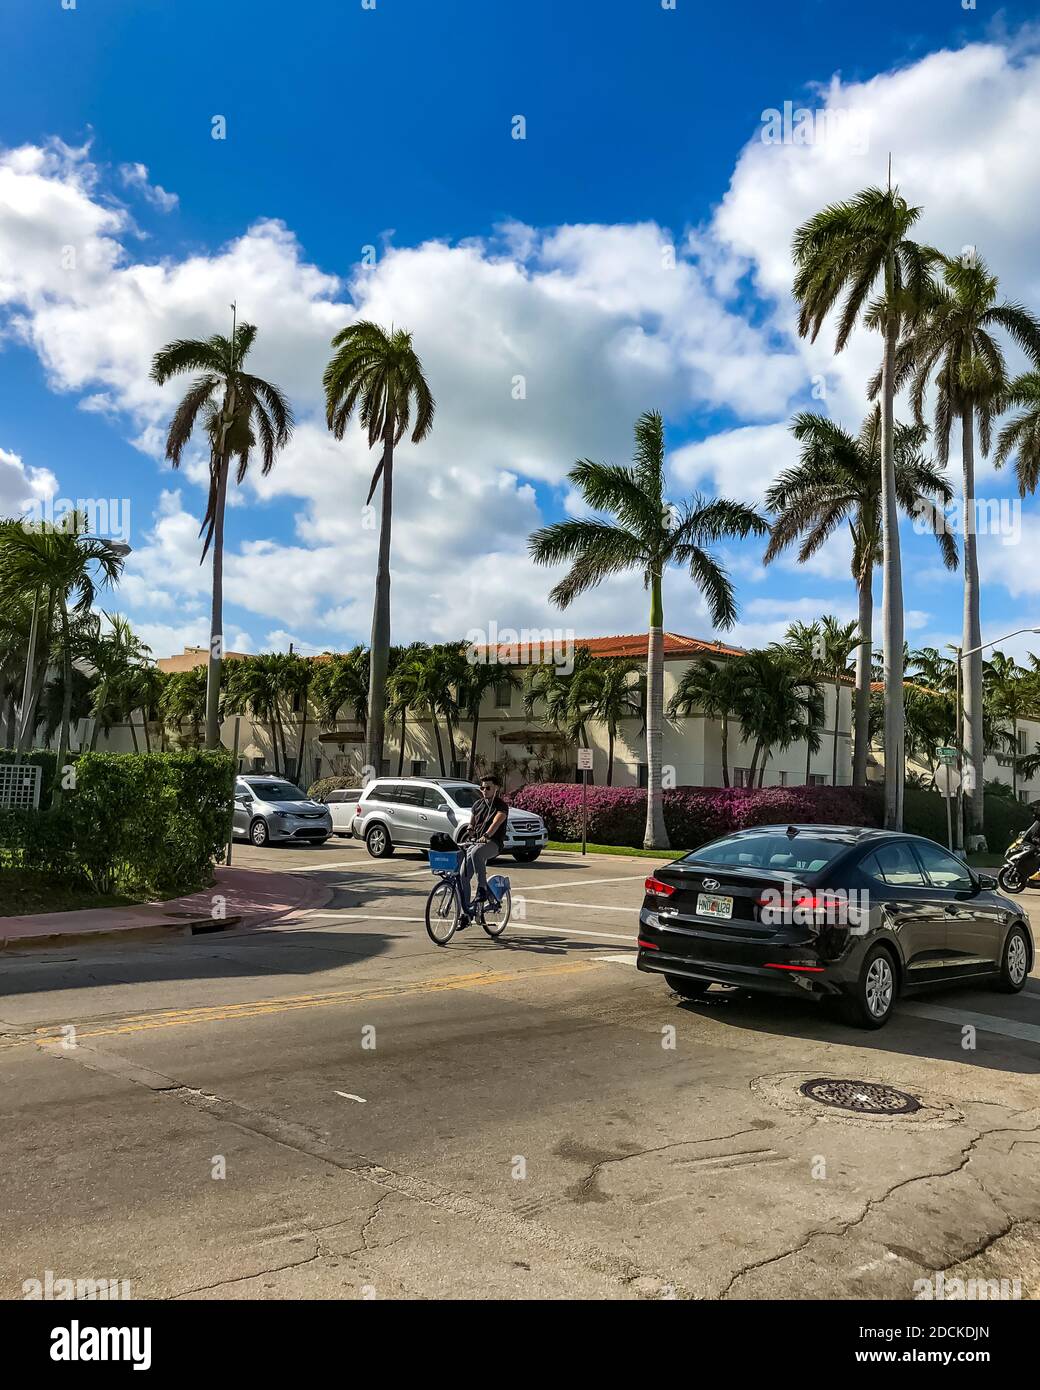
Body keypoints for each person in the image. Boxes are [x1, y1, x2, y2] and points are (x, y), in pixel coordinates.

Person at [457, 774, 509, 924]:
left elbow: (496, 823)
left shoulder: (501, 805)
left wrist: (486, 835)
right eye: (482, 788)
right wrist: (470, 830)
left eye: (488, 788)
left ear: (496, 788)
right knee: (462, 876)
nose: (484, 790)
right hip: (477, 842)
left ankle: (482, 889)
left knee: (477, 852)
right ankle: (466, 913)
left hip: (493, 843)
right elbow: (471, 823)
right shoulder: (477, 805)